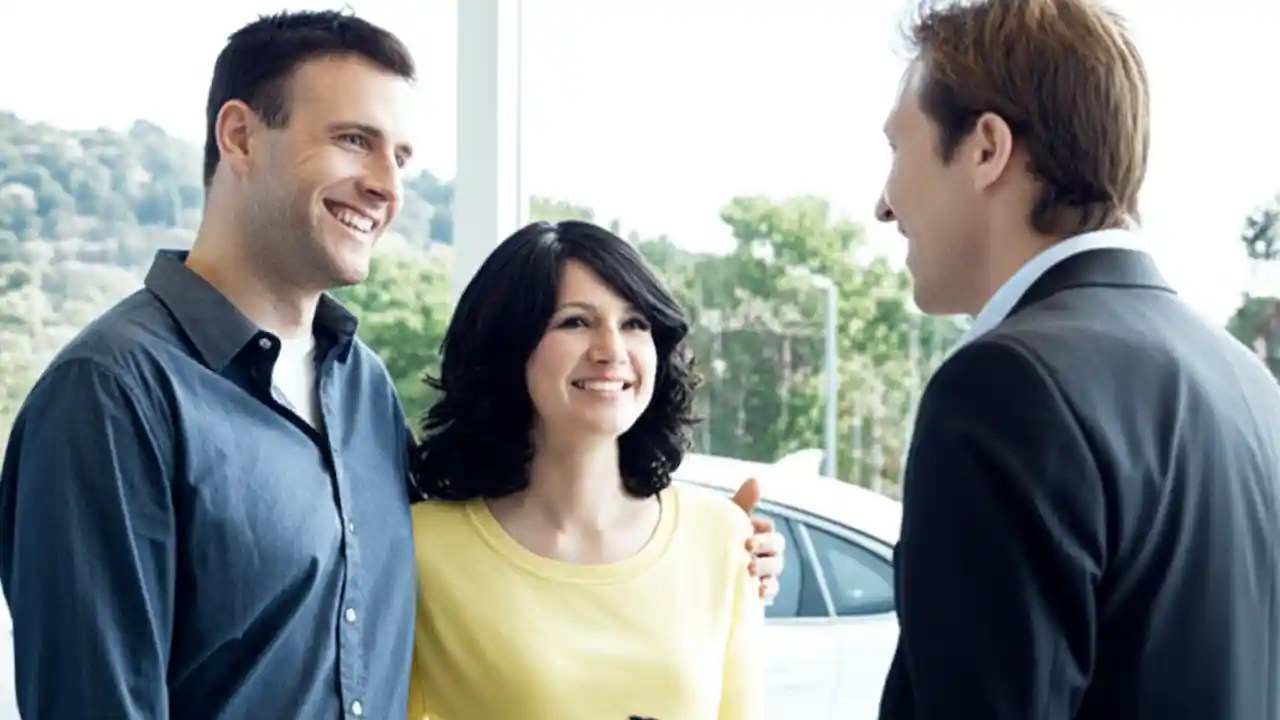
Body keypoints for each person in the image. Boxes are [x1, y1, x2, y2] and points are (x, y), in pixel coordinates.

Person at [0, 11, 784, 720]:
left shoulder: (361, 387)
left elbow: (504, 528)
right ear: (238, 137)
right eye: (353, 140)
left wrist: (721, 547)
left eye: (401, 155)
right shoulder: (110, 395)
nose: (387, 185)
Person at [873, 1, 1280, 718]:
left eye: (897, 149)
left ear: (986, 148)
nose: (883, 204)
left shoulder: (1005, 388)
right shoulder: (1247, 384)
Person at [405, 219, 764, 720]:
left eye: (635, 323)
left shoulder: (721, 536)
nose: (611, 352)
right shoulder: (423, 550)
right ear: (509, 347)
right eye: (575, 322)